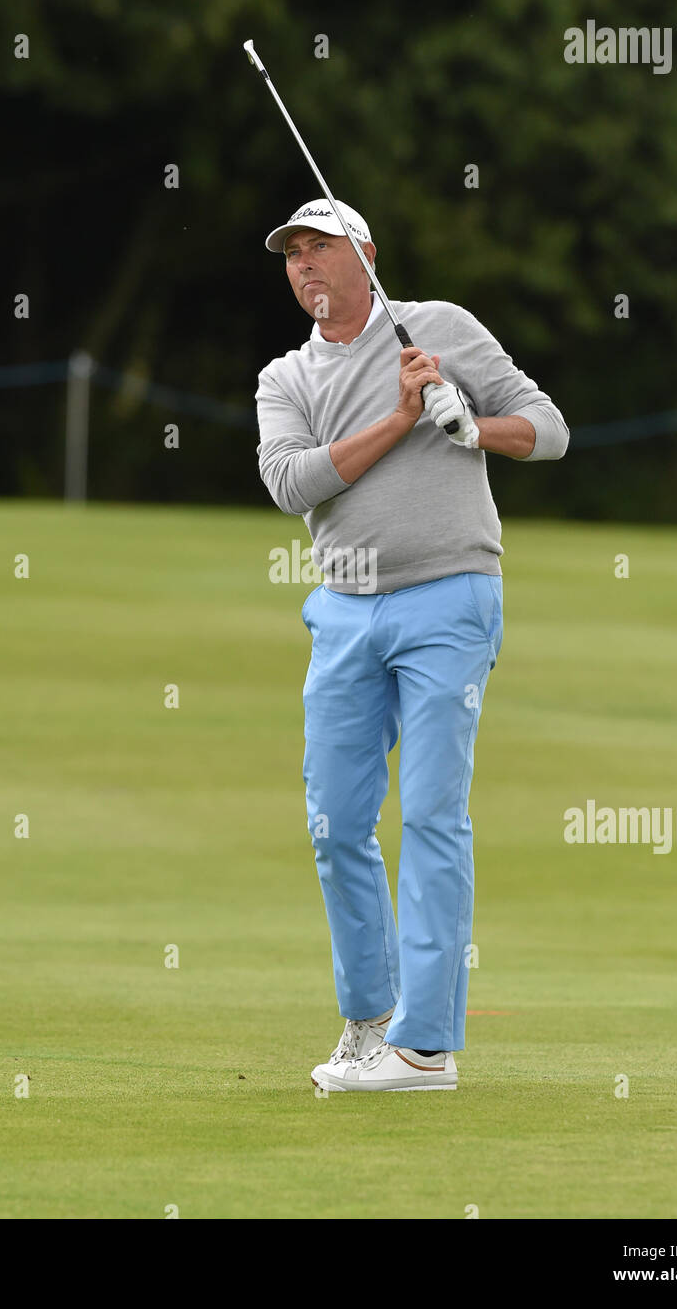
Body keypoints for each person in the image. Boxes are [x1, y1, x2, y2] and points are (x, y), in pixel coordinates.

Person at [255, 198, 569, 1091]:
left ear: (366, 255)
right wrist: (400, 416)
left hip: (451, 596)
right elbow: (290, 484)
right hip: (344, 610)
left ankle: (426, 1046)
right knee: (337, 824)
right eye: (293, 255)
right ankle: (369, 1019)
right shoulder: (286, 378)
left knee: (432, 813)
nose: (305, 266)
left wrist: (470, 424)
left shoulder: (438, 329)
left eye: (321, 248)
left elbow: (547, 429)